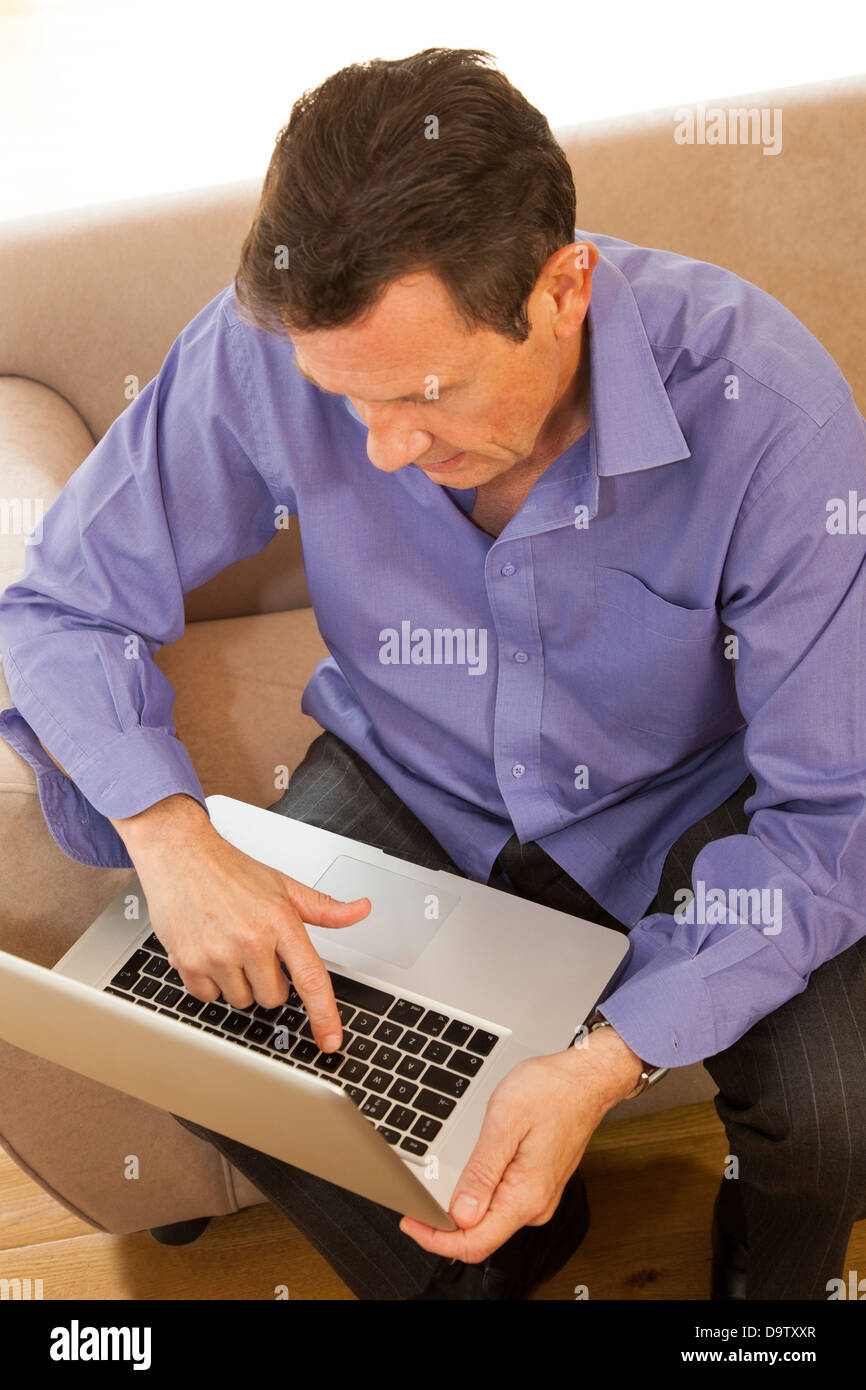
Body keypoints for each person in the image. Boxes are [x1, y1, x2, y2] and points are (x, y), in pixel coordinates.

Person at [1, 47, 865, 1301]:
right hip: (416, 766)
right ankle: (508, 1262)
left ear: (563, 289)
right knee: (212, 1029)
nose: (385, 449)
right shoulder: (272, 342)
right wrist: (168, 835)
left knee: (833, 1109)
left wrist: (606, 1059)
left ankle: (766, 1303)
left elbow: (831, 818)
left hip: (693, 800)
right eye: (343, 402)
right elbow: (58, 601)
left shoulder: (773, 420)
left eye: (426, 394)